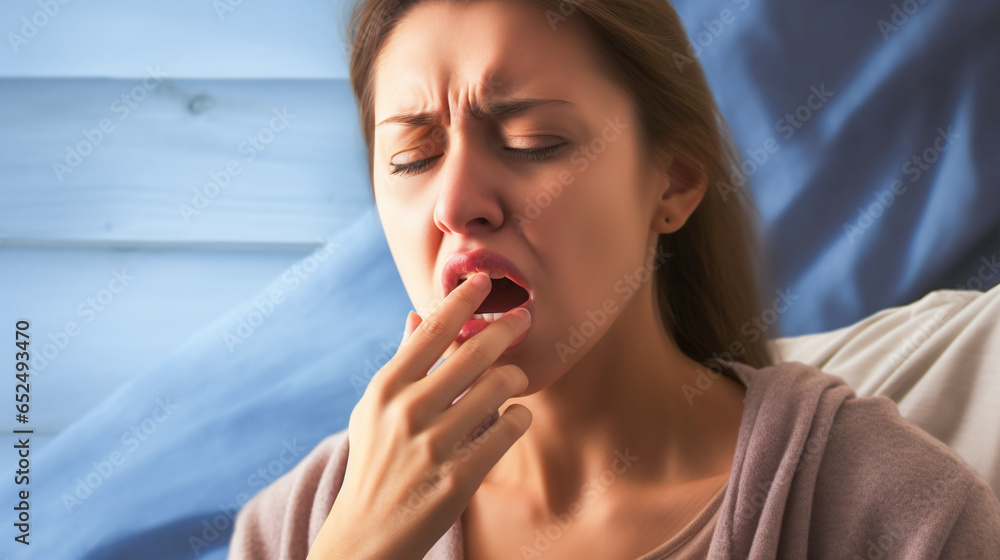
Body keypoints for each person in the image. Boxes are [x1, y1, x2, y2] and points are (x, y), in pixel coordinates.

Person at [227, 0, 1000, 558]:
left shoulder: (891, 512)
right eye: (412, 158)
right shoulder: (296, 527)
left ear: (674, 183)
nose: (457, 203)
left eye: (532, 140)